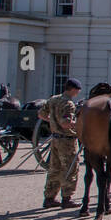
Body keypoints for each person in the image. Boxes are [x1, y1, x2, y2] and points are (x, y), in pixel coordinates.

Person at [40, 77, 82, 209]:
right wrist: (79, 124)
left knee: (54, 168)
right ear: (73, 90)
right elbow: (65, 123)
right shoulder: (68, 104)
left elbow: (41, 114)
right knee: (70, 168)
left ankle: (49, 198)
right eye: (77, 91)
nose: (78, 93)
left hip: (55, 138)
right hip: (67, 140)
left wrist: (52, 122)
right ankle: (67, 198)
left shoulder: (53, 99)